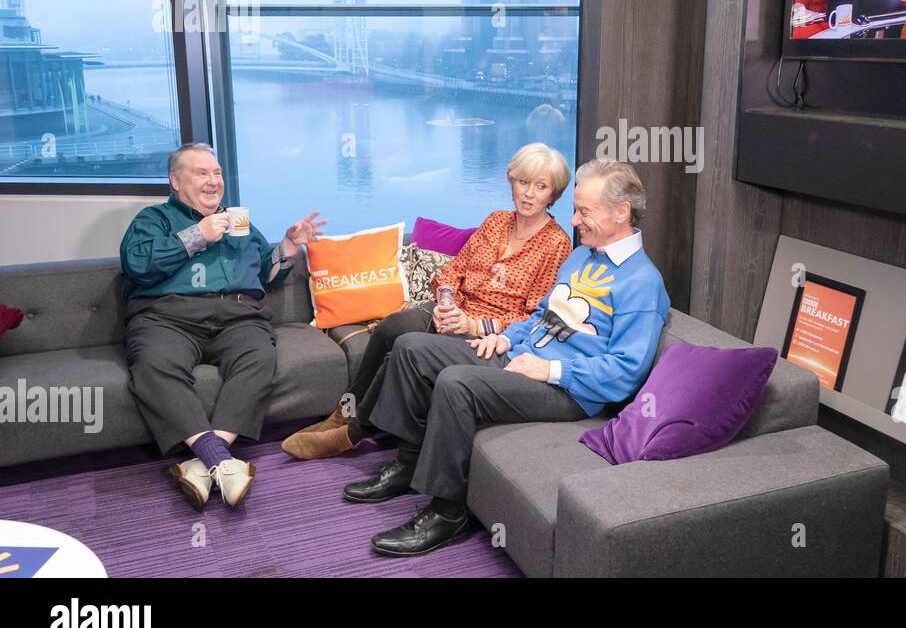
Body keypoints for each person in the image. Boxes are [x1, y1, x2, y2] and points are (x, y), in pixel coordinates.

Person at [343, 159, 669, 558]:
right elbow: (540, 316)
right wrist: (502, 337)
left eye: (584, 211)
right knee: (412, 347)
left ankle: (448, 514)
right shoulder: (584, 256)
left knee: (456, 383)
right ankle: (408, 463)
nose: (575, 219)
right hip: (522, 356)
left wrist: (548, 368)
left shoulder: (643, 282)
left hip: (568, 390)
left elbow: (626, 372)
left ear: (622, 212)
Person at [281, 142, 573, 460]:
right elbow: (452, 272)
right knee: (392, 326)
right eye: (523, 182)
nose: (529, 193)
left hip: (490, 333)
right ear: (512, 182)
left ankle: (353, 431)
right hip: (453, 309)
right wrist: (447, 303)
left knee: (407, 347)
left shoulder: (556, 244)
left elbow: (534, 316)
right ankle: (343, 411)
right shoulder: (495, 221)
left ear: (553, 194)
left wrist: (473, 324)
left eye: (540, 186)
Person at [119, 143, 325, 510]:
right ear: (175, 181)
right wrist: (197, 235)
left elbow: (266, 272)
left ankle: (204, 462)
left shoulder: (239, 221)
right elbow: (138, 265)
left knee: (260, 355)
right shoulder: (154, 219)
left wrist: (290, 246)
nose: (213, 181)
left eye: (217, 174)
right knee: (153, 364)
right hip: (167, 317)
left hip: (237, 315)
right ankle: (222, 461)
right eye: (201, 173)